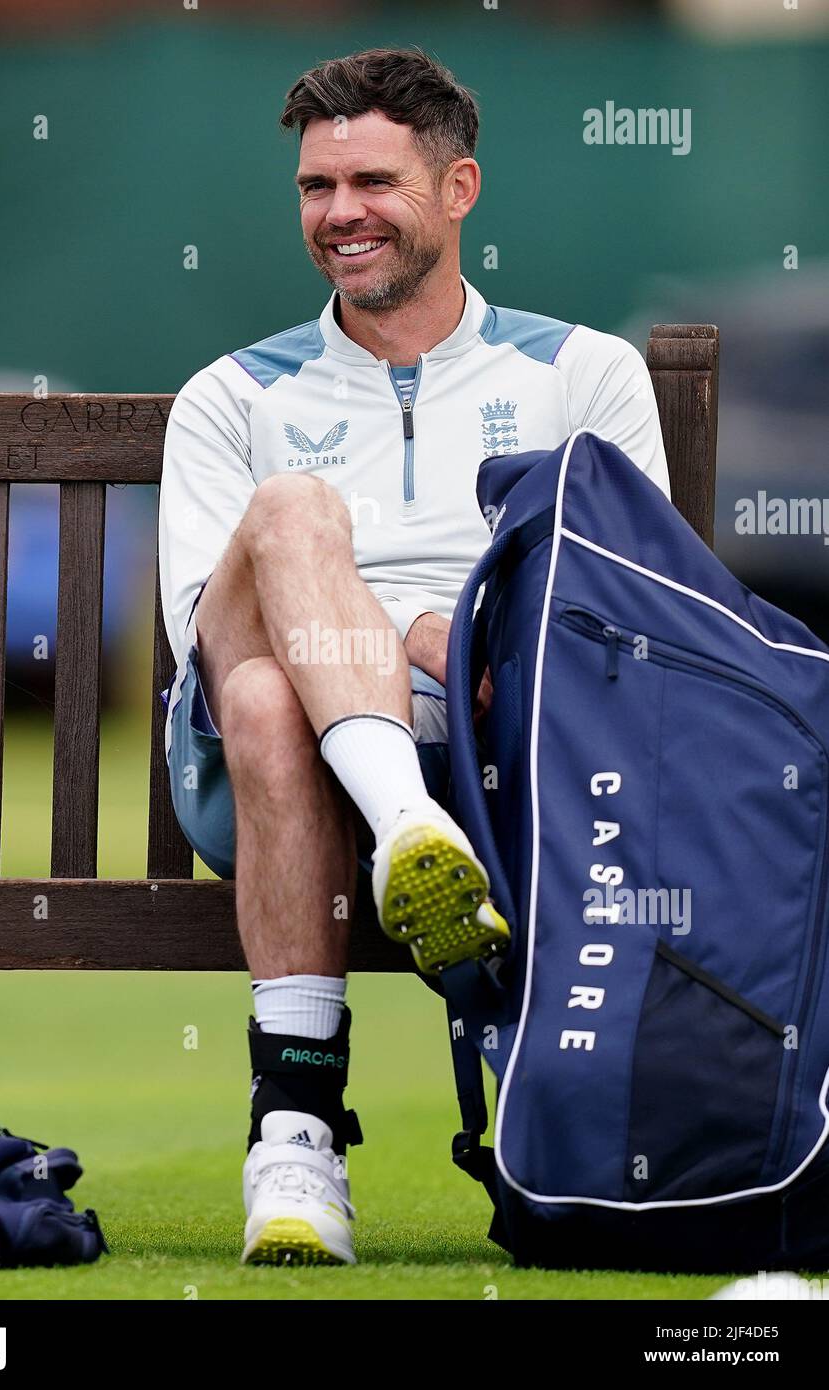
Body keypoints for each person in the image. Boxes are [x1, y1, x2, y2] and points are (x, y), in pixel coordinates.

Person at [158, 47, 669, 1267]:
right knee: (287, 523)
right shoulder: (231, 394)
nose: (340, 214)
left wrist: (471, 632)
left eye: (373, 181)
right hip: (262, 767)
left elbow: (631, 621)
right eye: (315, 186)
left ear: (458, 189)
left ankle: (292, 1137)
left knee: (274, 698)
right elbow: (199, 627)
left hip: (496, 763)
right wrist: (411, 639)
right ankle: (404, 834)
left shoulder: (582, 372)